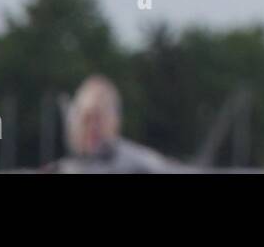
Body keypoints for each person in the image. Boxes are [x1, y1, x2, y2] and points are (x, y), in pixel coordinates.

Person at [50, 74, 182, 173]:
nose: (92, 127)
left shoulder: (142, 165)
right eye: (86, 118)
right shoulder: (62, 168)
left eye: (99, 118)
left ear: (115, 121)